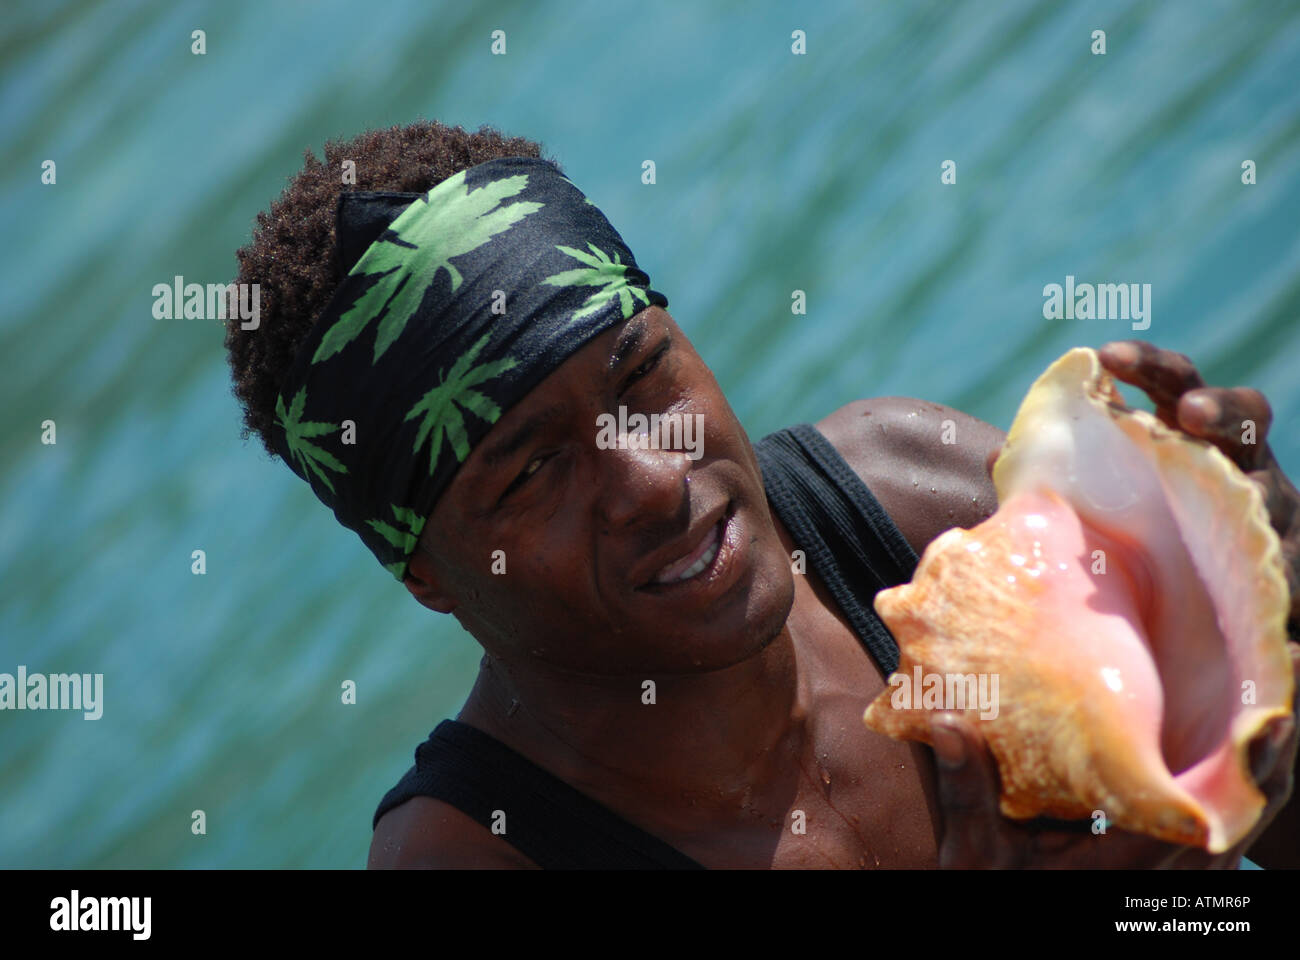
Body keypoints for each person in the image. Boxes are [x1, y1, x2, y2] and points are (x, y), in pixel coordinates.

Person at [223, 120, 1300, 869]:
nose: (650, 481)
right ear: (425, 575)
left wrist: (1261, 628)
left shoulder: (903, 500)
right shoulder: (478, 854)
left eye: (642, 375)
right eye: (534, 467)